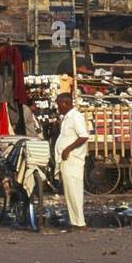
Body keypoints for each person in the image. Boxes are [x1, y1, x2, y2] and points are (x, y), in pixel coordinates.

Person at [55, 92, 90, 231]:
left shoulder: (76, 117)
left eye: (59, 105)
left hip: (73, 159)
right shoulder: (67, 118)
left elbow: (84, 136)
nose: (58, 108)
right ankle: (74, 221)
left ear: (66, 103)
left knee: (75, 191)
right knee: (69, 192)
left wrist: (68, 149)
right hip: (66, 160)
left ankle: (80, 223)